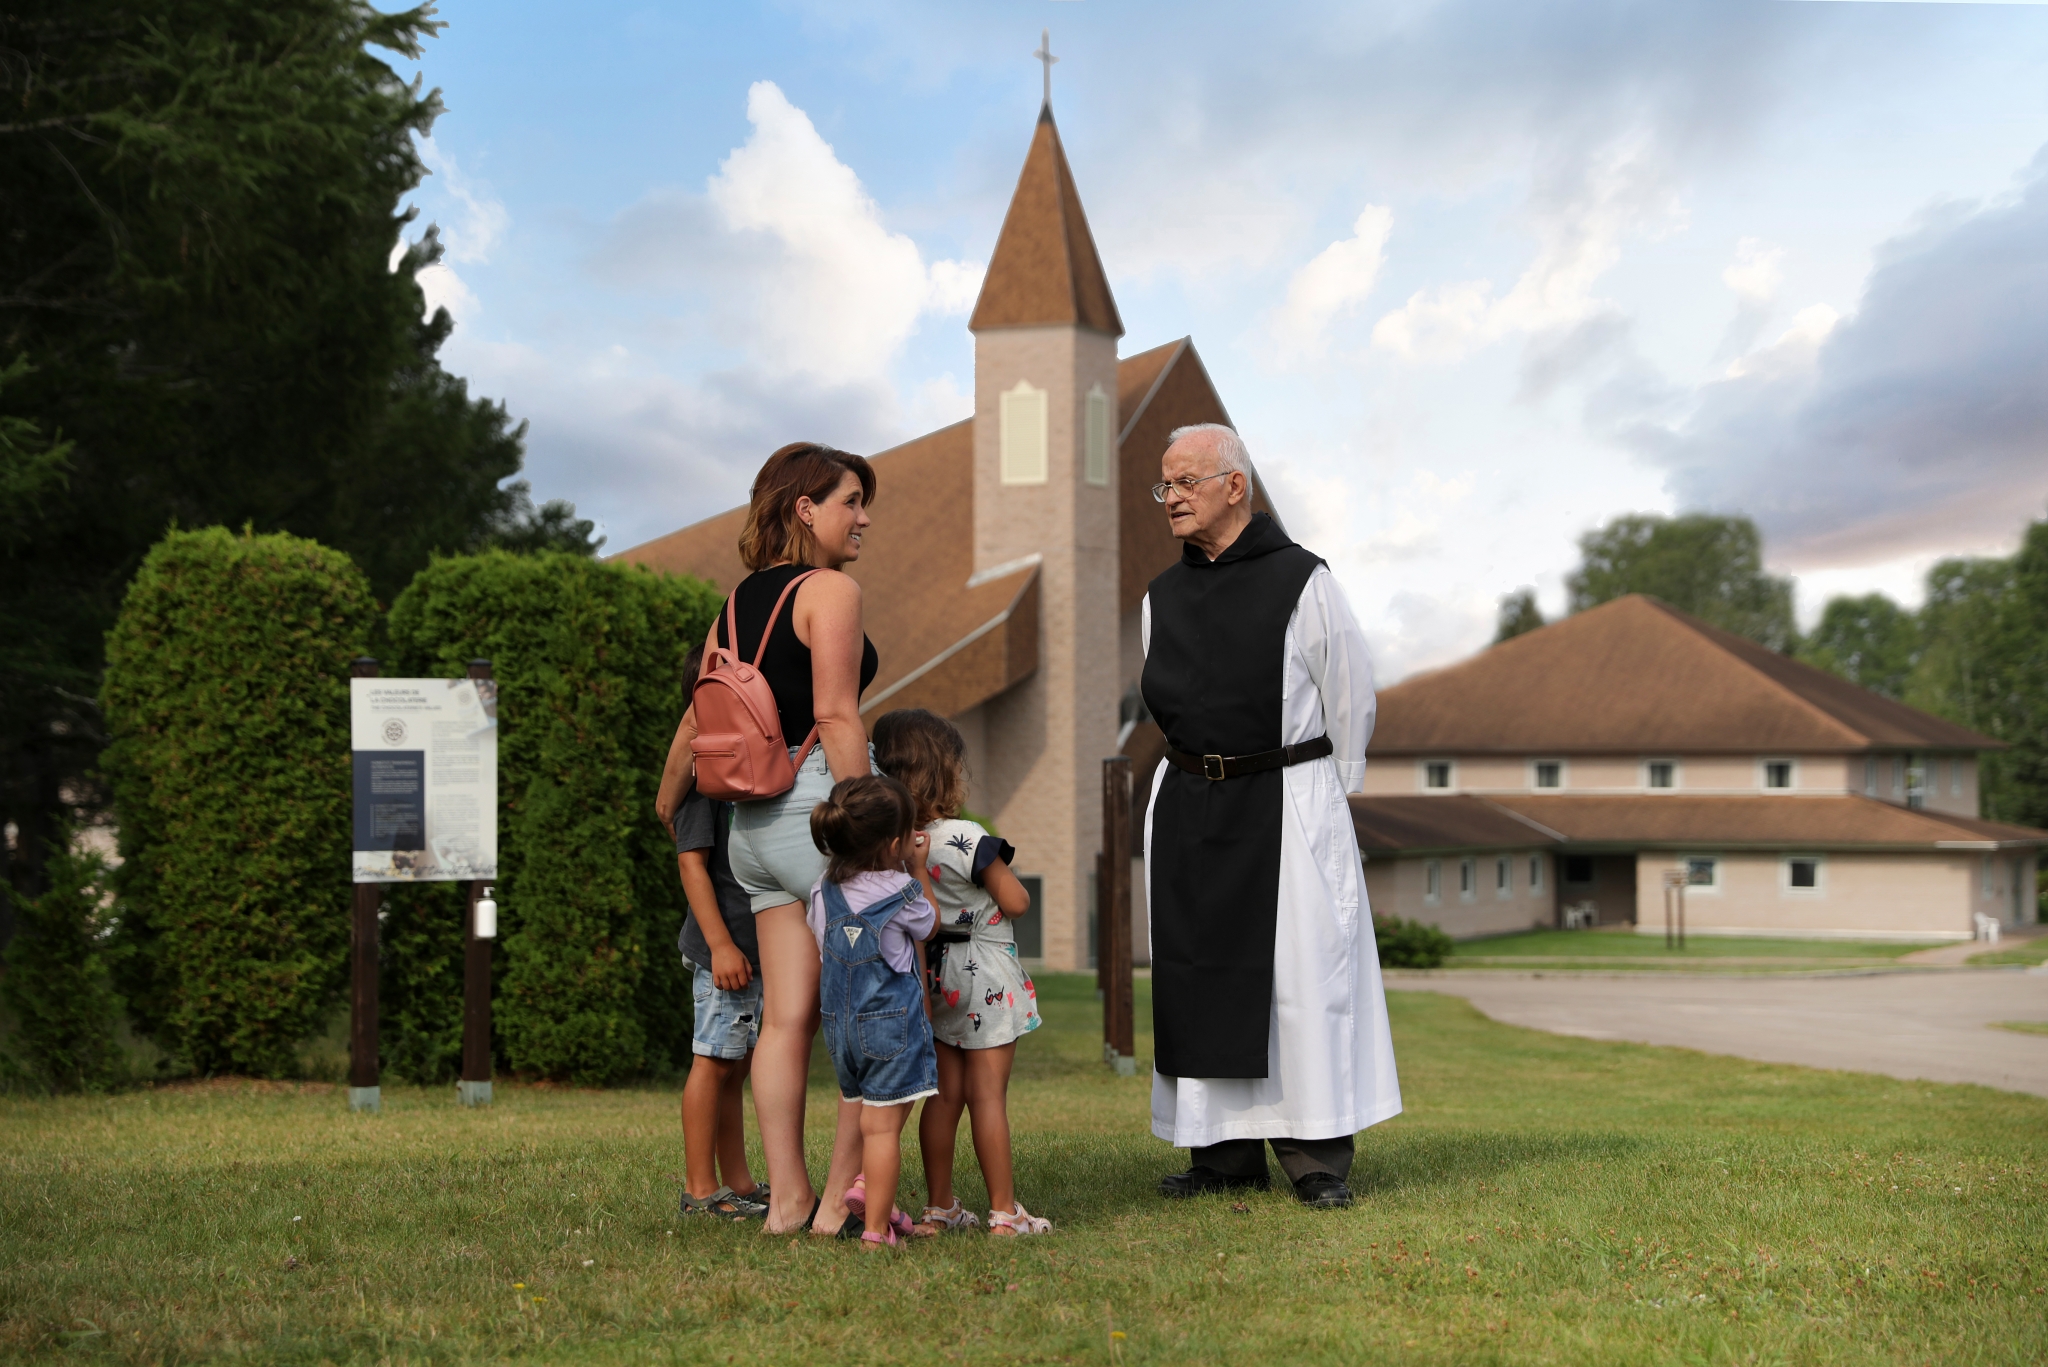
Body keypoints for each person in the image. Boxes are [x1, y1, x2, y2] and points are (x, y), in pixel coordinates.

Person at [1140, 423, 1399, 1210]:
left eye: (1186, 482)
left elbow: (1350, 688)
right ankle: (1220, 1156)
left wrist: (1330, 788)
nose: (1173, 498)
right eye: (1165, 486)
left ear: (1234, 486)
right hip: (1190, 801)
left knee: (1299, 978)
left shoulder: (1303, 578)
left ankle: (1316, 1157)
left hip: (1286, 800)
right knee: (1198, 976)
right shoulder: (1162, 594)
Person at [655, 442, 881, 1237]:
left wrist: (667, 793)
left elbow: (694, 722)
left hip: (748, 832)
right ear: (804, 508)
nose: (864, 518)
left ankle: (785, 1199)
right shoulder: (830, 590)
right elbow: (836, 716)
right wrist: (871, 833)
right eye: (851, 500)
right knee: (871, 1009)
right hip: (818, 813)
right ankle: (842, 1202)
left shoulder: (737, 602)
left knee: (785, 1021)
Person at [871, 708, 1050, 1238]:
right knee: (988, 1098)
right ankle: (1003, 1213)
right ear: (943, 772)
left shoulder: (897, 845)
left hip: (935, 977)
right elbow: (1016, 901)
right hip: (987, 976)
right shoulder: (967, 836)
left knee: (944, 1098)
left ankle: (940, 1206)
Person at [806, 774, 940, 1249]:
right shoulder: (900, 889)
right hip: (887, 1026)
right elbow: (929, 926)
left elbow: (822, 943)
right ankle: (875, 1232)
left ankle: (875, 1196)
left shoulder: (823, 890)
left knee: (872, 1117)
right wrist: (919, 870)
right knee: (884, 1130)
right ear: (896, 843)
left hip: (840, 1029)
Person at [671, 648, 769, 1220]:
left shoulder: (746, 769)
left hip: (754, 951)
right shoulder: (701, 781)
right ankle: (701, 1189)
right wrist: (721, 946)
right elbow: (692, 866)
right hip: (723, 950)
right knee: (712, 1061)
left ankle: (739, 1182)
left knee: (736, 1066)